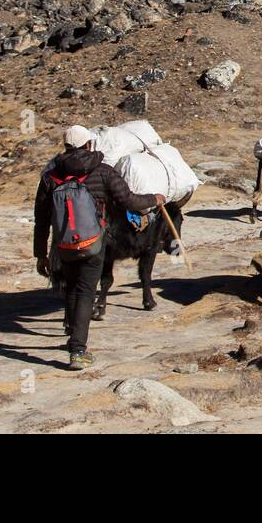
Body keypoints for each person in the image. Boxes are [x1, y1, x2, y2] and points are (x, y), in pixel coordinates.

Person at [34, 125, 164, 370]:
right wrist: (154, 199)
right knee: (85, 292)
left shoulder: (50, 177)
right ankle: (77, 352)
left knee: (72, 289)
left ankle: (73, 336)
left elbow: (41, 219)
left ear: (65, 147)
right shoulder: (102, 171)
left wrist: (40, 254)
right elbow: (129, 200)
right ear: (89, 145)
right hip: (94, 244)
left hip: (63, 245)